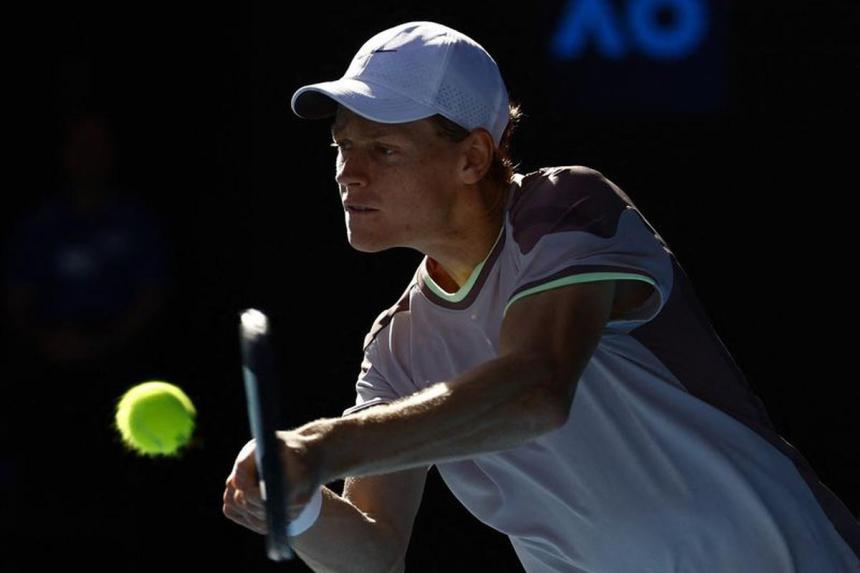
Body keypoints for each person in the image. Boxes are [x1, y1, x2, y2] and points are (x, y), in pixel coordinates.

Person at [223, 21, 860, 572]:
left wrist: (321, 447)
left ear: (473, 157)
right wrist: (300, 502)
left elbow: (536, 389)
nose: (348, 172)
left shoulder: (566, 209)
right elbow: (376, 552)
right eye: (343, 146)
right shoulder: (396, 348)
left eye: (383, 149)